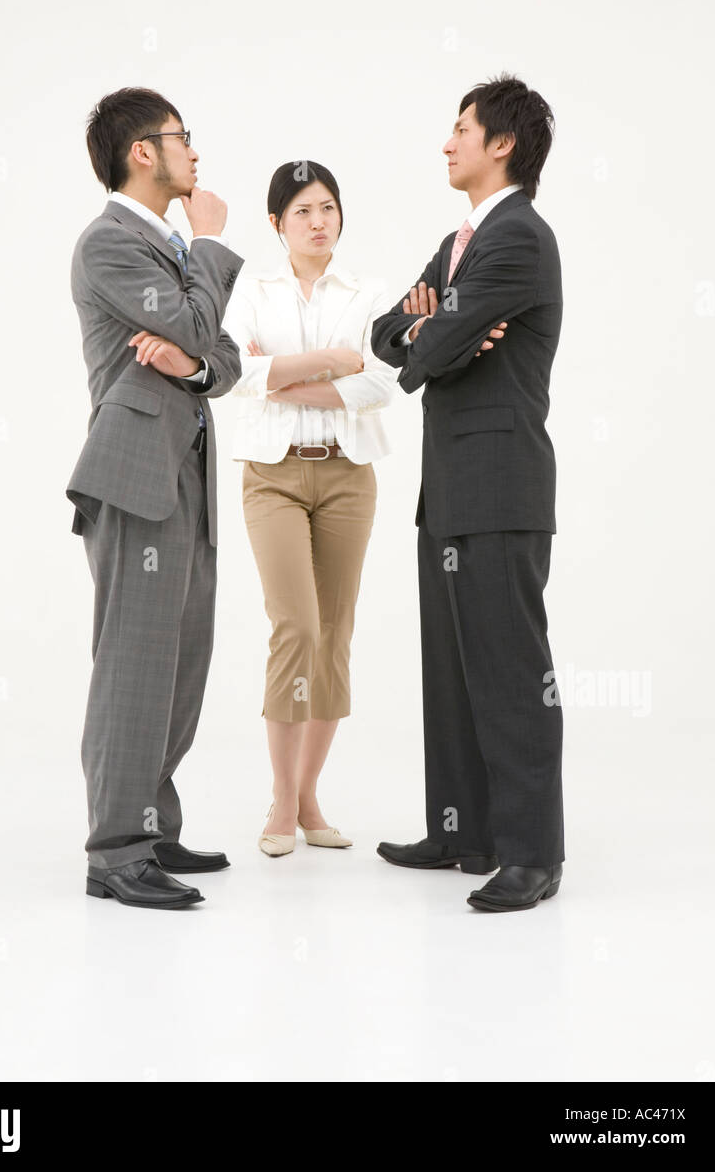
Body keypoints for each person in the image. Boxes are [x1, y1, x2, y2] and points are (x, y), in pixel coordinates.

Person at [371, 75, 565, 912]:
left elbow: (438, 339)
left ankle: (532, 856)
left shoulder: (518, 237)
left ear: (502, 145)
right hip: (447, 492)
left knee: (510, 673)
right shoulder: (462, 241)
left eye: (460, 130)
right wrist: (435, 325)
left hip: (499, 488)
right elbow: (392, 331)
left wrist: (438, 328)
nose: (446, 144)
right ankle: (462, 831)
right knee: (450, 669)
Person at [66, 87, 243, 909]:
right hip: (136, 471)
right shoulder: (108, 243)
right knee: (135, 662)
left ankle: (153, 824)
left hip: (187, 475)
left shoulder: (164, 247)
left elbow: (221, 354)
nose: (195, 153)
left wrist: (191, 363)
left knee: (182, 659)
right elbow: (194, 324)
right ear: (145, 151)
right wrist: (209, 242)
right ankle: (116, 852)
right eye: (182, 138)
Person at [222, 161, 397, 856]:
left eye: (328, 207)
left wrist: (285, 375)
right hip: (272, 476)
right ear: (276, 224)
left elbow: (380, 383)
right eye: (302, 211)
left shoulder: (369, 291)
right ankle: (282, 798)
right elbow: (238, 372)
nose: (319, 221)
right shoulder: (251, 291)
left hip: (348, 475)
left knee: (334, 634)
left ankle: (307, 796)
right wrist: (330, 359)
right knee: (294, 626)